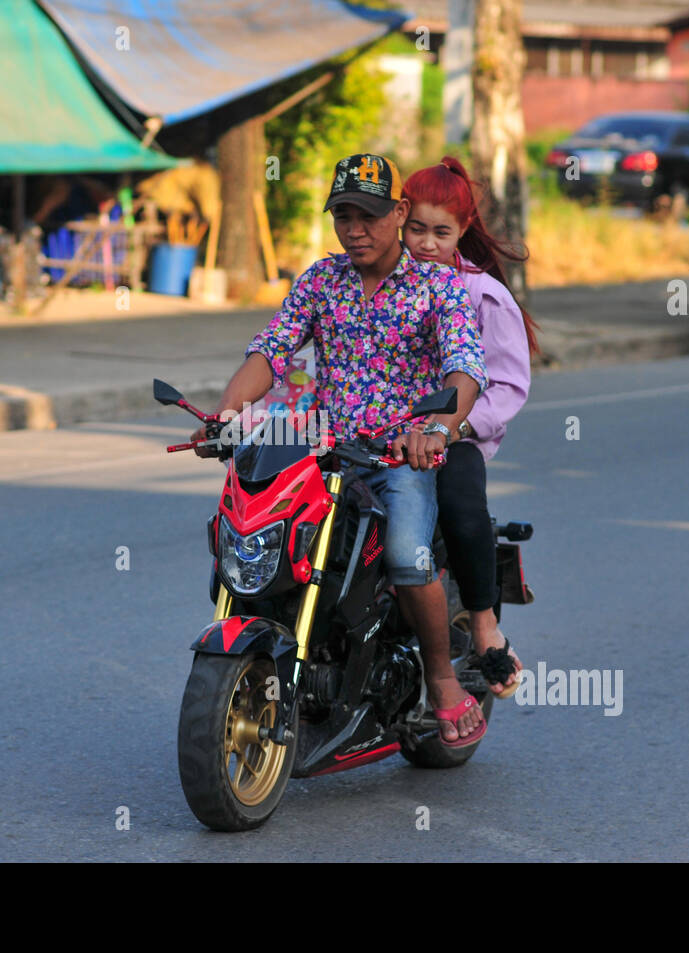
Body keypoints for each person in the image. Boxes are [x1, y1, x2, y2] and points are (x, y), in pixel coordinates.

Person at [194, 153, 491, 747]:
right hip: (323, 455)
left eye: (370, 216)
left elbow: (465, 370)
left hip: (396, 460)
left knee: (408, 556)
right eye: (344, 215)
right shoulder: (322, 280)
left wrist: (435, 429)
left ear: (399, 213)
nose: (355, 228)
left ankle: (441, 682)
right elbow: (271, 351)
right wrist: (229, 414)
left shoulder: (439, 287)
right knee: (255, 539)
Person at [401, 157, 538, 726]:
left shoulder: (481, 294)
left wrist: (451, 427)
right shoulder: (372, 284)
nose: (427, 244)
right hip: (380, 435)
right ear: (398, 222)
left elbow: (508, 385)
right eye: (416, 229)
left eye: (442, 232)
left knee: (461, 503)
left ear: (462, 232)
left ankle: (483, 623)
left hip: (457, 439)